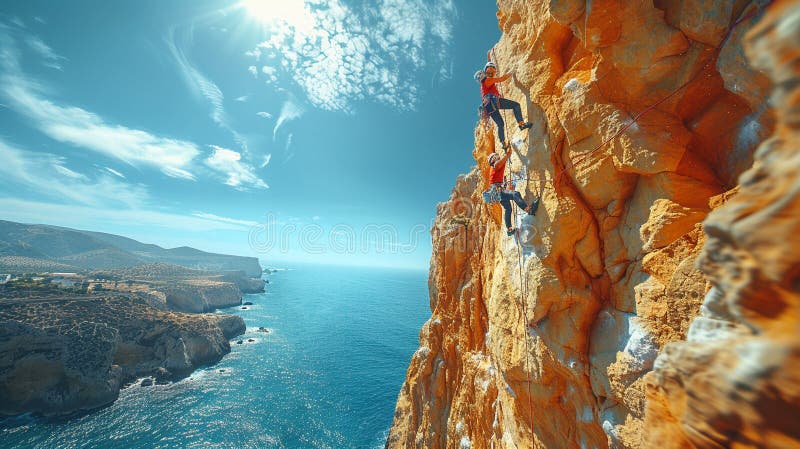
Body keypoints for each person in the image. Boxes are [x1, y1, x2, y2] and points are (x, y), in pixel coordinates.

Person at [476, 61, 533, 149]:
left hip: (489, 108)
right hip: (493, 101)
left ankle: (503, 144)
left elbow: (490, 92)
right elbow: (502, 79)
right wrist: (511, 72)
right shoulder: (488, 80)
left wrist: (499, 95)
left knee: (500, 125)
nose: (492, 73)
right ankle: (521, 124)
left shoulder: (483, 85)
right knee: (516, 105)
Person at [487, 150, 539, 236]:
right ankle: (528, 210)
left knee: (508, 209)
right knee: (515, 194)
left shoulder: (495, 168)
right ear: (493, 159)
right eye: (496, 155)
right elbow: (502, 160)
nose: (498, 156)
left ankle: (509, 229)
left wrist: (505, 186)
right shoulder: (495, 165)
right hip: (497, 191)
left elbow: (497, 180)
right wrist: (507, 154)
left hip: (496, 192)